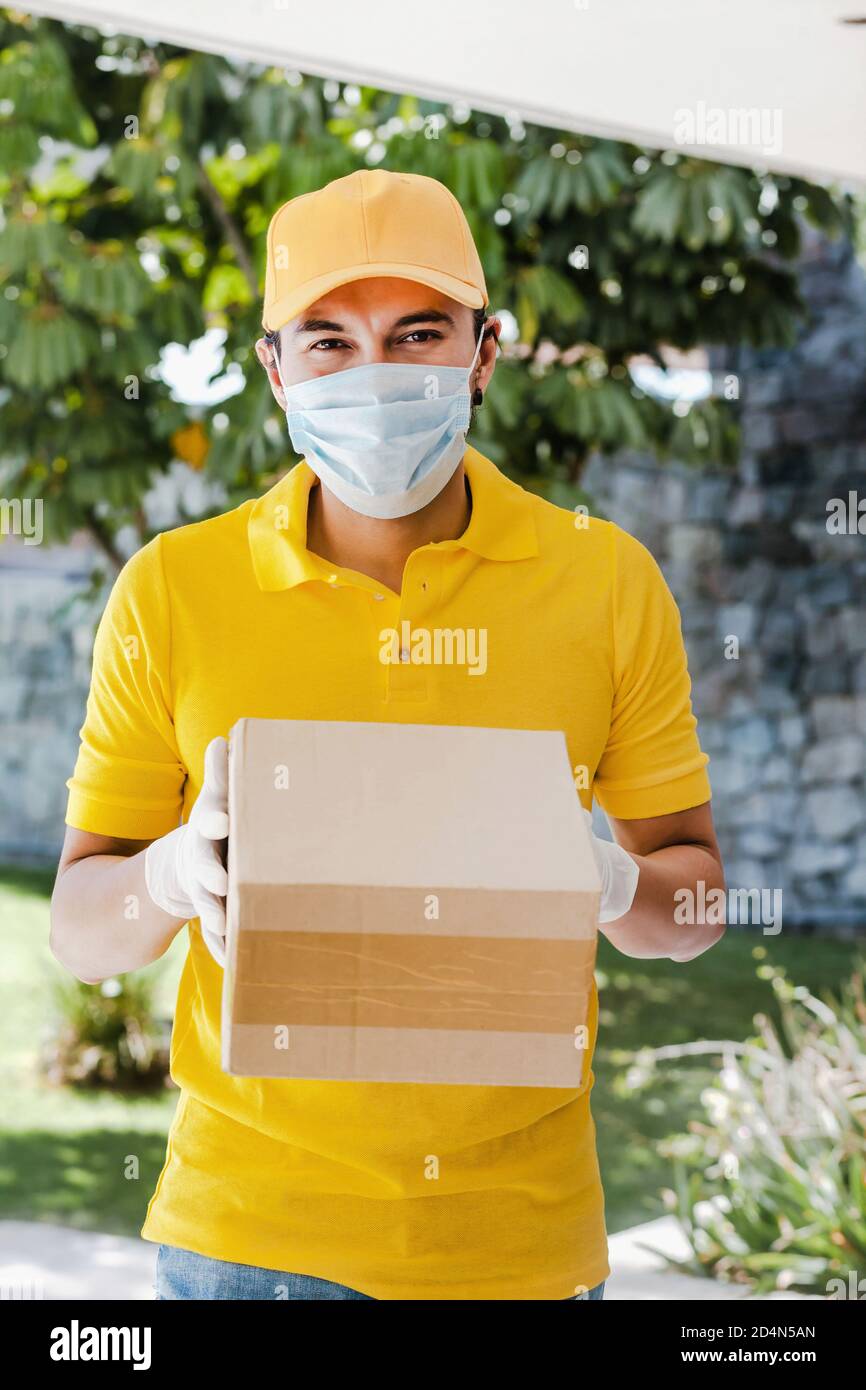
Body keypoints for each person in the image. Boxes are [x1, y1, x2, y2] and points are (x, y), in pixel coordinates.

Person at [51, 168, 725, 1301]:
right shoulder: (173, 589)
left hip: (518, 1250)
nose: (373, 374)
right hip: (249, 1244)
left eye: (416, 333)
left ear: (482, 352)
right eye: (327, 341)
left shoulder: (604, 582)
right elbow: (79, 929)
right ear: (273, 369)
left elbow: (697, 905)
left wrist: (607, 882)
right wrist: (169, 875)